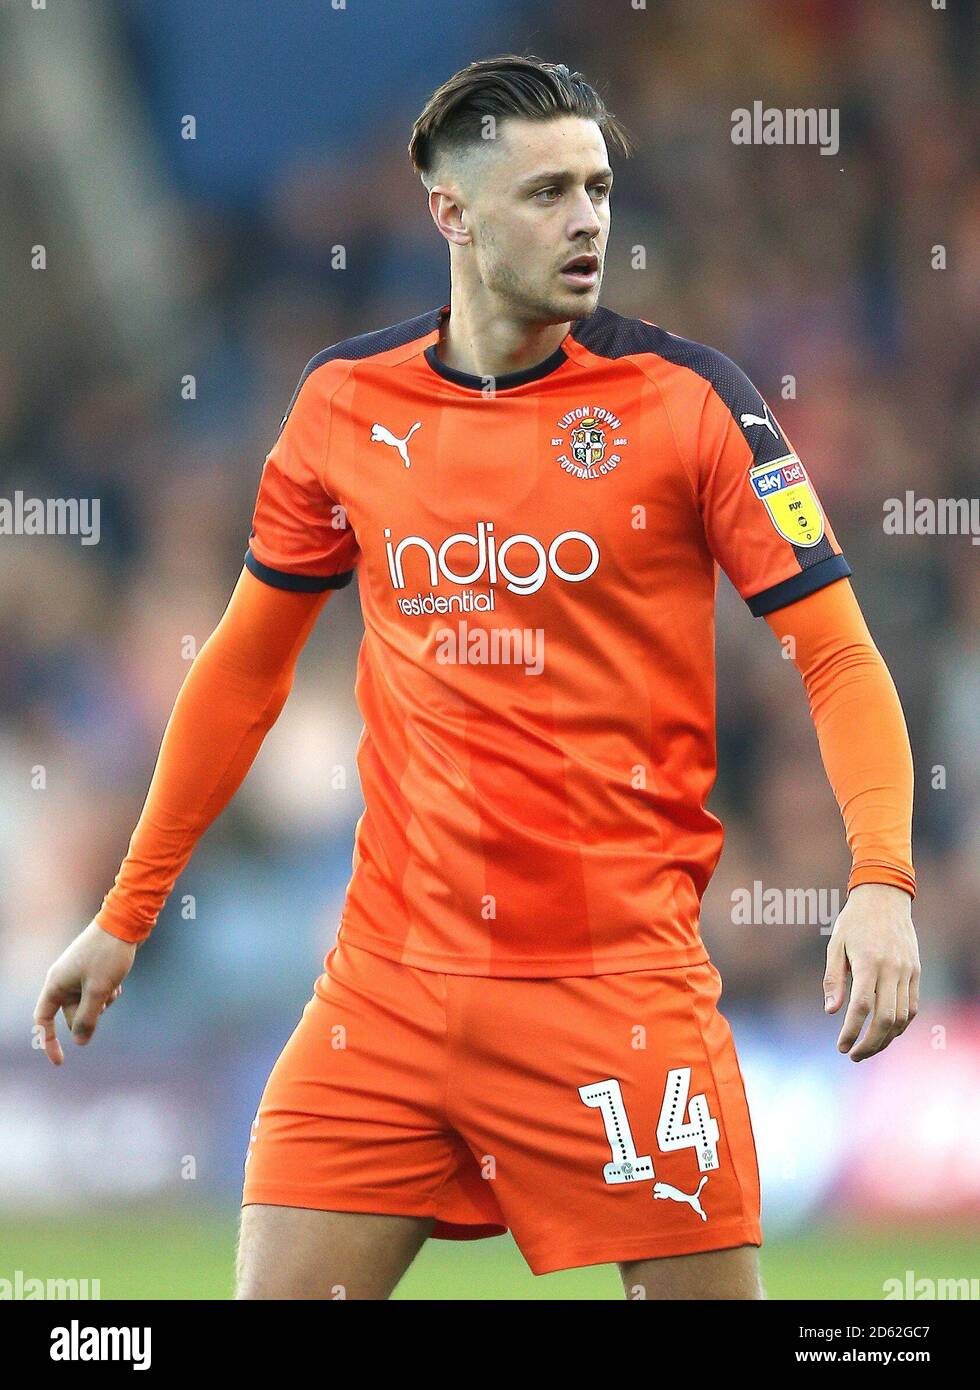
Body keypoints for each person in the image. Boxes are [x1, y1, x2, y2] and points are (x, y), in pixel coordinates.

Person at [34, 55, 919, 1301]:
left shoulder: (688, 402)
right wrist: (128, 912)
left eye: (598, 189)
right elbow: (240, 671)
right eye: (547, 191)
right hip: (386, 992)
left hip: (616, 991)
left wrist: (878, 880)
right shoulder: (345, 405)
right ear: (450, 213)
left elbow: (835, 653)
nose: (587, 221)